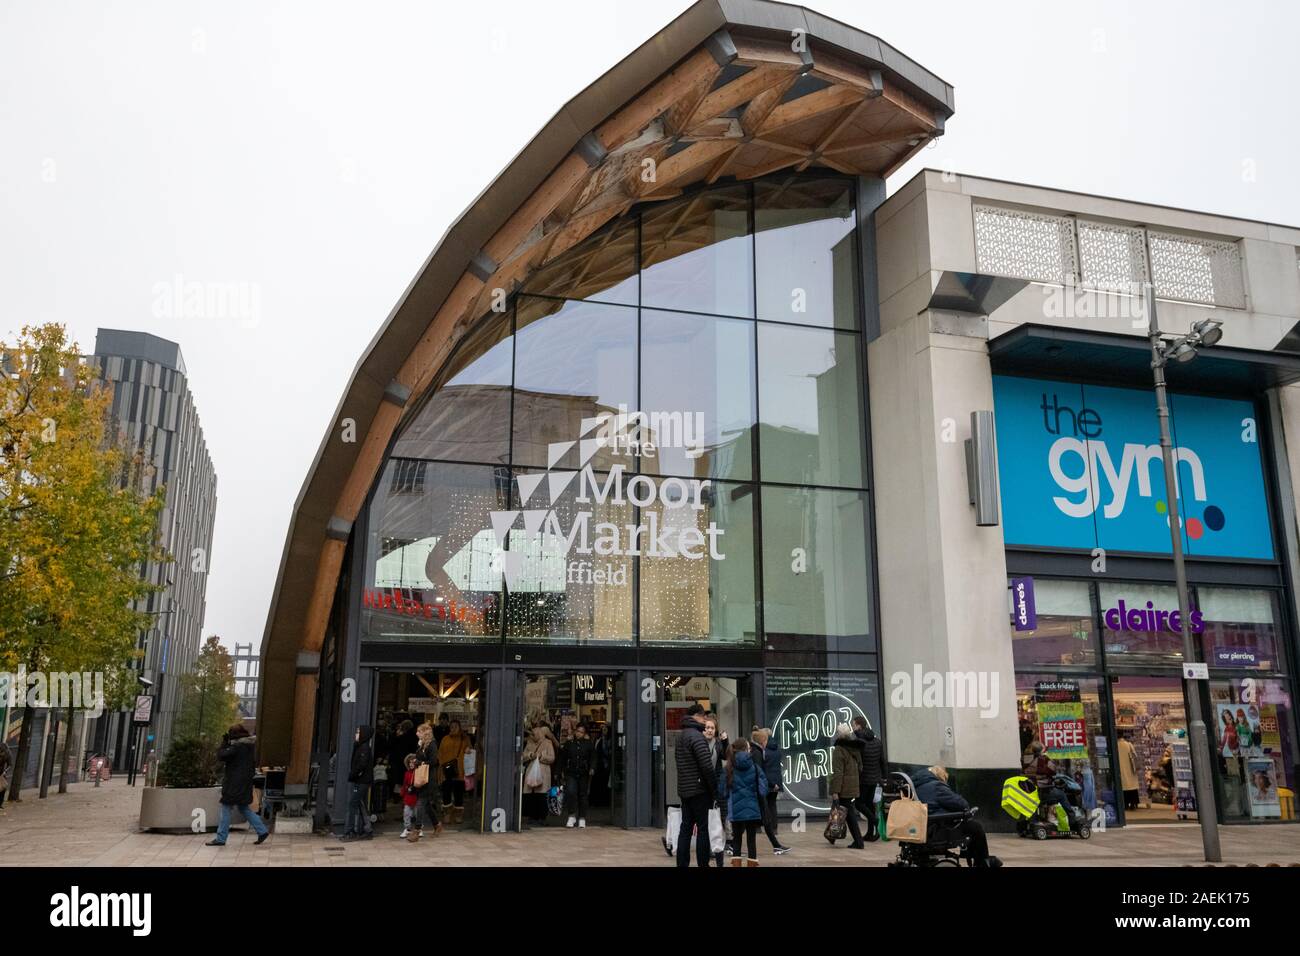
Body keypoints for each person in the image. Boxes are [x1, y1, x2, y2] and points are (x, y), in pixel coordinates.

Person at [911, 765, 1001, 868]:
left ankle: (974, 857)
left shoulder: (916, 786)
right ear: (941, 776)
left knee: (970, 826)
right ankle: (982, 861)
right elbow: (962, 805)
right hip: (938, 827)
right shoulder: (936, 786)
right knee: (976, 827)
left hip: (923, 827)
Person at [207, 724, 269, 846]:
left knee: (226, 808)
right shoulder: (249, 747)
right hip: (245, 783)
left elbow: (221, 755)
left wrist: (224, 743)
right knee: (243, 808)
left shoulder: (237, 747)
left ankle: (221, 838)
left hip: (234, 784)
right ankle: (262, 830)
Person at [674, 703, 718, 868]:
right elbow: (706, 766)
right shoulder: (697, 736)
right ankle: (702, 863)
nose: (705, 719)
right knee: (703, 829)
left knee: (685, 828)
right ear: (697, 716)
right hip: (700, 790)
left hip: (685, 790)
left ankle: (682, 863)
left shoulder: (682, 735)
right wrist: (713, 789)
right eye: (703, 716)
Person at [720, 738, 767, 867]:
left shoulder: (728, 767)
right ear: (746, 749)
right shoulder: (755, 767)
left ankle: (736, 865)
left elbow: (722, 791)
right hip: (752, 810)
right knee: (751, 840)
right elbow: (763, 789)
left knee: (737, 839)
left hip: (736, 810)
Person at [750, 727, 791, 854]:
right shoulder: (767, 750)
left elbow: (760, 770)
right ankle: (774, 833)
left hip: (765, 785)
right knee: (769, 808)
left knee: (764, 814)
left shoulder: (759, 751)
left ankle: (773, 843)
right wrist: (773, 783)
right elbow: (760, 771)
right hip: (768, 784)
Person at [826, 723, 865, 849]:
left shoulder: (839, 749)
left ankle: (858, 841)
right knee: (840, 811)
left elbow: (838, 773)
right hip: (852, 786)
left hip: (843, 787)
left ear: (839, 734)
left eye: (837, 732)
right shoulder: (854, 748)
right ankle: (832, 836)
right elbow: (860, 767)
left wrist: (835, 791)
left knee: (846, 814)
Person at [852, 717, 887, 842]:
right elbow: (882, 761)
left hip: (863, 779)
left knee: (859, 804)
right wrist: (883, 777)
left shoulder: (859, 741)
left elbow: (857, 762)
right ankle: (870, 833)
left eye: (854, 725)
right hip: (874, 779)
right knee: (869, 805)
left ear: (859, 726)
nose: (853, 728)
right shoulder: (877, 741)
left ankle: (876, 822)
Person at [339, 723, 375, 840]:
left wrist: (353, 774)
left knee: (353, 804)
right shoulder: (361, 746)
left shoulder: (363, 748)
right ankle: (367, 829)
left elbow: (361, 765)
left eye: (358, 732)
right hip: (361, 780)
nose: (356, 734)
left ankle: (350, 831)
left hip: (362, 781)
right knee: (360, 804)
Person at [409, 723, 443, 841]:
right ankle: (437, 825)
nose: (417, 733)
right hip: (421, 777)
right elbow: (419, 758)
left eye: (419, 731)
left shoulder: (432, 745)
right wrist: (416, 759)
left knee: (421, 802)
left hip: (429, 779)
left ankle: (417, 830)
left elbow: (433, 761)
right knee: (426, 805)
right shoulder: (421, 745)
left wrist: (420, 762)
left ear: (425, 732)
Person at [558, 722, 596, 828]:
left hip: (584, 773)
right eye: (578, 731)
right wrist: (558, 771)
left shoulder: (588, 744)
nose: (579, 733)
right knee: (571, 792)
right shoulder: (569, 743)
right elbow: (562, 758)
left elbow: (593, 757)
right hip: (571, 772)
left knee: (583, 795)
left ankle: (582, 817)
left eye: (581, 732)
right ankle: (571, 815)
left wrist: (592, 768)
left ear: (584, 733)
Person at [521, 721, 558, 826]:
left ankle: (542, 817)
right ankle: (532, 817)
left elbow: (552, 758)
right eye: (532, 734)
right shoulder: (529, 743)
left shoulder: (547, 743)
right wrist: (530, 755)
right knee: (531, 796)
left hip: (543, 773)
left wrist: (541, 757)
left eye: (535, 734)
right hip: (531, 773)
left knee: (541, 796)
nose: (533, 736)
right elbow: (523, 756)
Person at [703, 716, 729, 864]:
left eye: (712, 728)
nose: (710, 730)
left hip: (716, 785)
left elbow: (726, 756)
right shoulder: (699, 742)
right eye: (707, 728)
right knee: (704, 819)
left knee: (717, 819)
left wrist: (725, 741)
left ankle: (717, 849)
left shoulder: (718, 743)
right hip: (703, 785)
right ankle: (707, 849)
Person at [438, 719, 471, 824]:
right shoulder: (445, 739)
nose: (453, 728)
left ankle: (458, 814)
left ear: (460, 727)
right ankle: (447, 813)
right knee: (446, 793)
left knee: (459, 794)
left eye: (456, 726)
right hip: (447, 771)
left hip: (460, 771)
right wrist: (442, 767)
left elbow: (470, 751)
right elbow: (440, 753)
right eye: (452, 726)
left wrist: (468, 749)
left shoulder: (465, 739)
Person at [398, 754, 420, 839]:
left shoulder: (418, 773)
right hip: (408, 797)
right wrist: (402, 793)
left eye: (413, 763)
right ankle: (407, 829)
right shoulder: (407, 773)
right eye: (409, 763)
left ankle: (419, 828)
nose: (411, 764)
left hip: (416, 797)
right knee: (406, 813)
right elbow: (404, 784)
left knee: (417, 814)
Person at [1117, 732, 1140, 810]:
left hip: (1121, 769)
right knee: (1132, 787)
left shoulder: (1115, 745)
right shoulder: (1128, 744)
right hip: (1131, 769)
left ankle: (1126, 804)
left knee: (1124, 787)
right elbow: (1135, 756)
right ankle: (1133, 804)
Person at [0, 740, 11, 812]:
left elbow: (10, 764)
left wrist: (5, 771)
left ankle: (0, 803)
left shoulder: (8, 754)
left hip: (1, 773)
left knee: (3, 788)